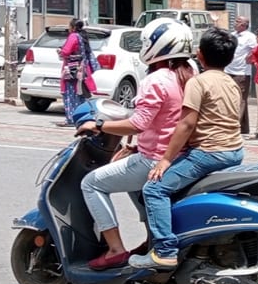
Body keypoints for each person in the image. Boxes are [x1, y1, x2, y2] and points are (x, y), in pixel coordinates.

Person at [76, 19, 196, 270]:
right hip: (179, 156)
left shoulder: (156, 80)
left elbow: (138, 123)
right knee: (132, 183)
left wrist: (98, 125)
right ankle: (150, 239)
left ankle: (115, 249)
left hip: (154, 159)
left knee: (91, 184)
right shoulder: (189, 75)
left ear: (158, 46)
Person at [130, 27, 247, 269]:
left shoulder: (198, 82)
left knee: (154, 189)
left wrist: (164, 160)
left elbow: (186, 124)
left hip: (209, 153)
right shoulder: (232, 83)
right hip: (235, 152)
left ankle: (164, 250)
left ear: (200, 56)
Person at [57, 18, 96, 127]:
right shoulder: (82, 36)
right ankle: (81, 117)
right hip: (81, 69)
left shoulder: (73, 36)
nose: (68, 28)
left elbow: (66, 51)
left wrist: (60, 50)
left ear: (73, 27)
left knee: (70, 94)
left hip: (71, 71)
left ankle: (71, 118)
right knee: (80, 94)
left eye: (69, 25)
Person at [225, 15, 257, 135]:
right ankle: (244, 127)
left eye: (238, 21)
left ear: (244, 25)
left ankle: (234, 127)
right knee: (230, 98)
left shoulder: (250, 37)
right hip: (229, 70)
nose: (235, 23)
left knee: (240, 99)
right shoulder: (232, 35)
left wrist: (251, 56)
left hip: (242, 72)